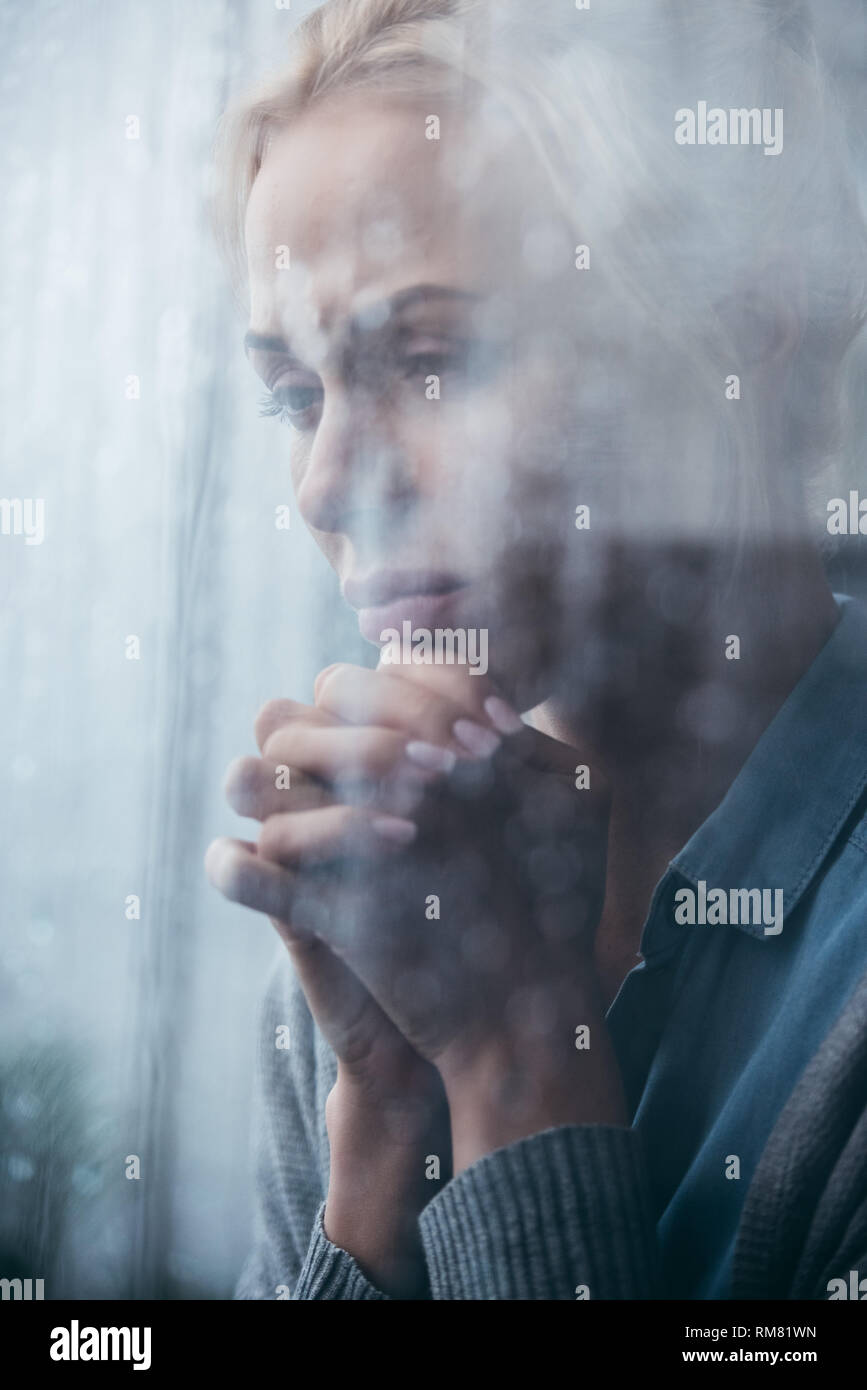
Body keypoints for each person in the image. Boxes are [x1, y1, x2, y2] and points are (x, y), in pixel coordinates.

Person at [206, 0, 867, 1299]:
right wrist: (372, 1199)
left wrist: (515, 1060)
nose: (327, 484)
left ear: (739, 323)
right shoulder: (386, 917)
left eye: (434, 359)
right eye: (296, 396)